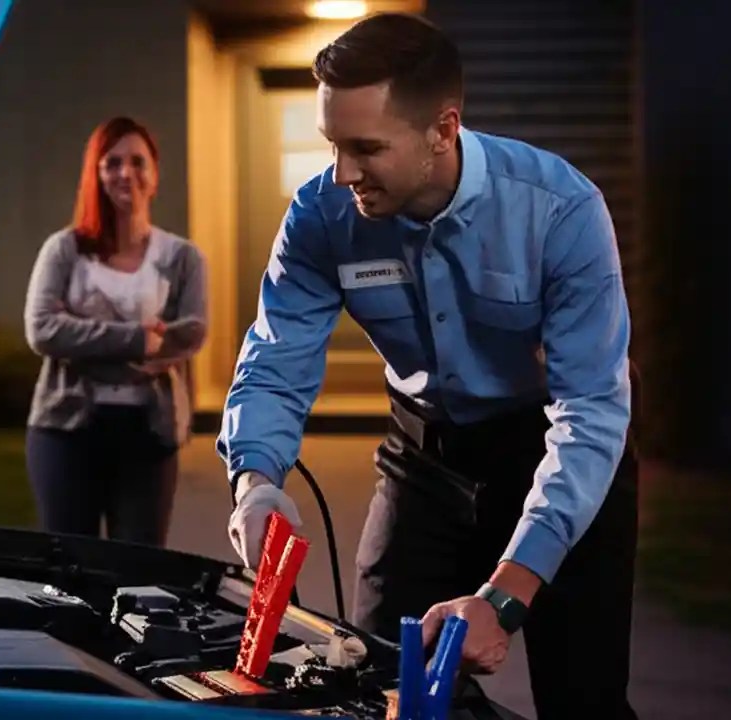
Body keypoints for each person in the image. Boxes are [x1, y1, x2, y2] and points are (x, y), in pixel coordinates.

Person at [216, 13, 637, 719]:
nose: (343, 173)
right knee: (380, 684)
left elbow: (591, 413)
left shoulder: (561, 212)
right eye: (333, 145)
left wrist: (505, 597)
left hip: (556, 452)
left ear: (443, 130)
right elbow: (275, 356)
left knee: (583, 702)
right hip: (424, 457)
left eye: (366, 148)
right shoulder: (322, 216)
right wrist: (256, 482)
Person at [23, 115, 208, 548]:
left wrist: (84, 343)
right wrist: (137, 339)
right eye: (113, 162)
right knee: (69, 570)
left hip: (149, 433)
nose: (127, 173)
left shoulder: (183, 257)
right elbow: (43, 329)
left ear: (155, 174)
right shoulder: (64, 250)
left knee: (138, 572)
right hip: (65, 432)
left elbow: (191, 332)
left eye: (138, 161)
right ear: (96, 173)